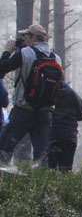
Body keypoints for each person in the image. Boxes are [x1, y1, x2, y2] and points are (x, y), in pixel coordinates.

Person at [0, 24, 62, 164]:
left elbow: (1, 70)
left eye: (26, 37)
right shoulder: (56, 58)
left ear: (34, 37)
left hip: (23, 110)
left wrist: (7, 51)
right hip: (45, 113)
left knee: (4, 147)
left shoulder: (25, 53)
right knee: (42, 155)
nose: (24, 41)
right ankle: (42, 183)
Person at [46, 83, 82, 171]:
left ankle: (51, 184)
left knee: (51, 168)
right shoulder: (73, 94)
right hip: (69, 136)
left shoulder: (49, 94)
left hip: (53, 134)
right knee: (66, 168)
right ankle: (65, 184)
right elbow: (81, 114)